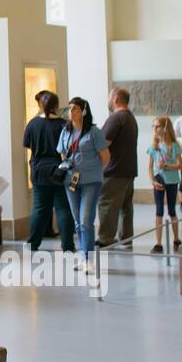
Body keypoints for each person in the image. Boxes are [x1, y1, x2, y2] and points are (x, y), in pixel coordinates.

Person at [57, 96, 108, 258]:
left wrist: (95, 171)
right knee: (77, 221)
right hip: (70, 180)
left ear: (84, 111)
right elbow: (62, 154)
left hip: (91, 181)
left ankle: (88, 257)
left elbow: (105, 157)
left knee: (86, 219)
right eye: (70, 108)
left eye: (76, 108)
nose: (71, 111)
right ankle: (83, 254)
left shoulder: (94, 132)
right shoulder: (65, 131)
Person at [22, 91, 74, 252]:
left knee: (39, 209)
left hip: (39, 171)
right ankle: (68, 246)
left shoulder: (32, 124)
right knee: (63, 209)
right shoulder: (64, 125)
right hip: (59, 171)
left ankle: (33, 244)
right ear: (57, 106)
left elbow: (28, 145)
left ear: (40, 105)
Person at [97, 87, 139, 248]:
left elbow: (103, 143)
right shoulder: (130, 118)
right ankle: (126, 239)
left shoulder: (116, 118)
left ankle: (105, 239)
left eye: (109, 97)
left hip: (114, 170)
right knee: (125, 207)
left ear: (115, 98)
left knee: (107, 203)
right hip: (128, 169)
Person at [147, 116, 182, 253]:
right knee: (159, 211)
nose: (155, 129)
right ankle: (158, 243)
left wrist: (167, 166)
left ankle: (176, 239)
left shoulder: (173, 146)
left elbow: (181, 165)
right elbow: (150, 168)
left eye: (157, 126)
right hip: (159, 182)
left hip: (172, 181)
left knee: (172, 210)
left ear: (165, 128)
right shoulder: (153, 146)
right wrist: (153, 181)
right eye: (154, 126)